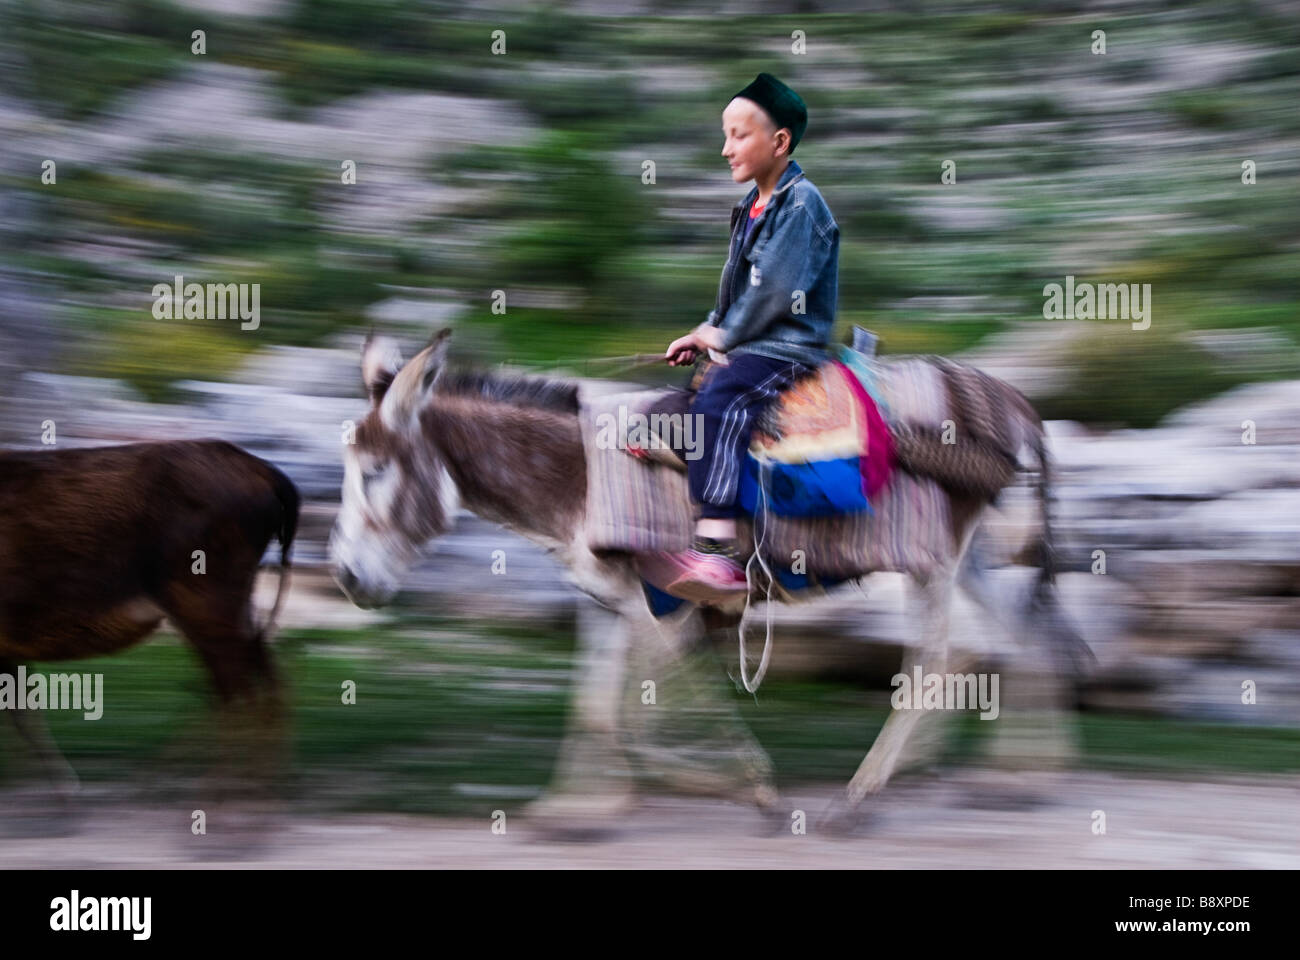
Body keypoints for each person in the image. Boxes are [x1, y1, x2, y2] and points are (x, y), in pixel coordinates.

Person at [658, 72, 840, 602]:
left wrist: (723, 335)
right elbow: (733, 294)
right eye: (725, 135)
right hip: (749, 341)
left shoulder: (802, 204)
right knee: (664, 411)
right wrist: (703, 332)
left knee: (720, 400)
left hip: (785, 347)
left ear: (779, 142)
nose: (725, 149)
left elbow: (773, 293)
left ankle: (718, 550)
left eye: (739, 136)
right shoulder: (752, 208)